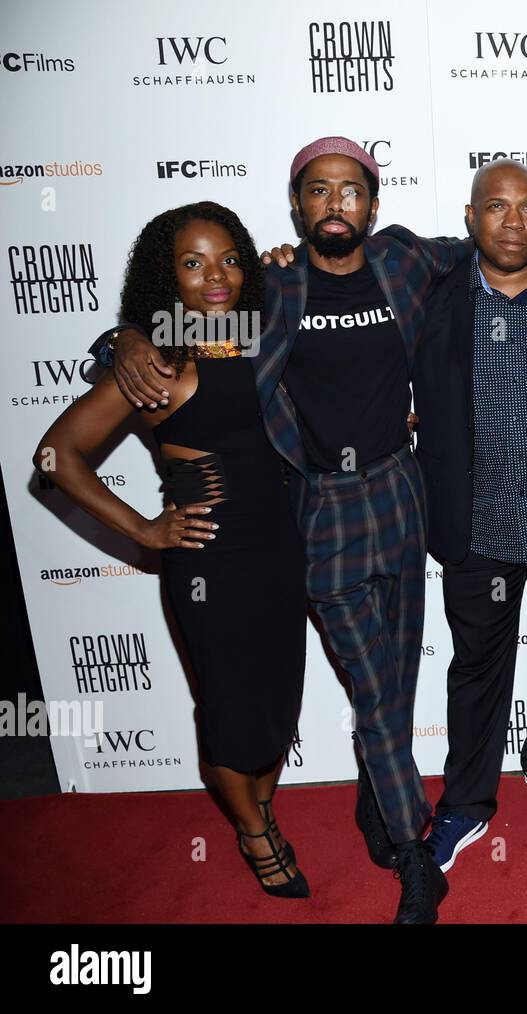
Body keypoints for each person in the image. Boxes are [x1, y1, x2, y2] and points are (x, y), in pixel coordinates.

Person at [92, 136, 527, 924]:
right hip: (321, 513)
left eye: (349, 190)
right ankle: (416, 856)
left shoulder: (404, 260)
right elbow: (185, 333)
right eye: (318, 191)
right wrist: (121, 340)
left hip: (401, 494)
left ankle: (375, 805)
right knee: (377, 693)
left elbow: (501, 239)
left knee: (396, 683)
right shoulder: (270, 287)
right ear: (297, 205)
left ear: (372, 204)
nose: (334, 204)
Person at [39, 202, 309, 899]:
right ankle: (254, 834)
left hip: (282, 548)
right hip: (209, 561)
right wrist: (144, 530)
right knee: (227, 707)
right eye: (193, 263)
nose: (215, 276)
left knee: (278, 700)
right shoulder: (158, 360)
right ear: (168, 277)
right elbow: (56, 456)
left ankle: (261, 805)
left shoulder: (259, 336)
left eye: (228, 259)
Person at [412, 159, 527, 875]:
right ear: (471, 217)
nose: (513, 221)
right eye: (496, 206)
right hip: (477, 525)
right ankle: (465, 802)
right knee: (477, 670)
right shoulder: (433, 295)